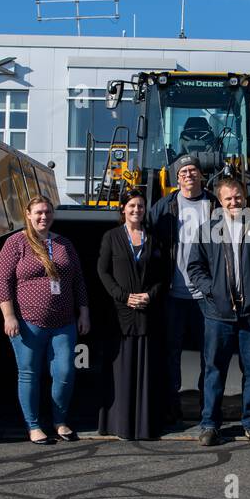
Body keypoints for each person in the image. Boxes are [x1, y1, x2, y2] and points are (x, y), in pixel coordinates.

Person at [186, 175, 250, 447]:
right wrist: (213, 291)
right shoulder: (207, 229)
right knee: (214, 370)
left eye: (238, 197)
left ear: (245, 197)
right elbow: (194, 267)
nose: (234, 202)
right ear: (219, 202)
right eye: (228, 198)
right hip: (218, 314)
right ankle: (210, 424)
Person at [0, 195, 90, 444]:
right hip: (28, 322)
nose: (43, 217)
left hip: (64, 323)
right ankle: (33, 425)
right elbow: (3, 282)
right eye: (38, 212)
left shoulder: (64, 244)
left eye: (47, 212)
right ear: (28, 214)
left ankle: (60, 421)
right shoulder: (16, 243)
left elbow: (78, 279)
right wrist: (9, 316)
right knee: (29, 374)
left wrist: (84, 312)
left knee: (65, 371)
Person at [149, 154, 216, 423]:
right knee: (170, 353)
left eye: (193, 170)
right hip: (173, 294)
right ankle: (171, 406)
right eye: (183, 171)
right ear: (176, 178)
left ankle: (208, 408)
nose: (188, 175)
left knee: (209, 354)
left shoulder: (215, 205)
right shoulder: (164, 206)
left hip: (207, 295)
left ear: (201, 175)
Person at [96, 188, 168, 440]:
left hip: (148, 312)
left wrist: (150, 295)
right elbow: (103, 272)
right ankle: (121, 425)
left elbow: (164, 275)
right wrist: (123, 296)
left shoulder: (154, 238)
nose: (136, 210)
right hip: (121, 314)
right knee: (121, 370)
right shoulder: (111, 237)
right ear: (123, 209)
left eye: (140, 206)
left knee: (147, 369)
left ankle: (144, 425)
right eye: (132, 206)